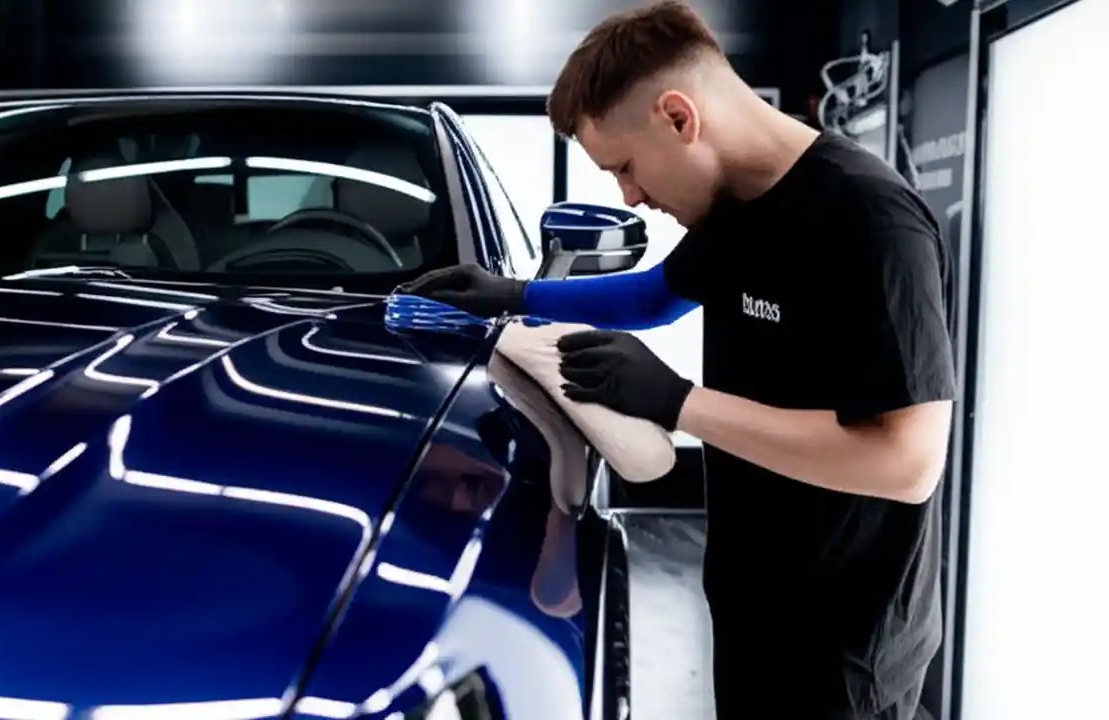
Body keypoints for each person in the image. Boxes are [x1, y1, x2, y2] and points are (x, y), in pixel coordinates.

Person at [395, 2, 956, 718]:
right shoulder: (738, 209)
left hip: (846, 640)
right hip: (755, 600)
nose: (630, 196)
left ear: (678, 116)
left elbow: (905, 464)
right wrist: (514, 291)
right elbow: (656, 297)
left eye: (625, 168)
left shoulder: (872, 221)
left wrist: (676, 401)